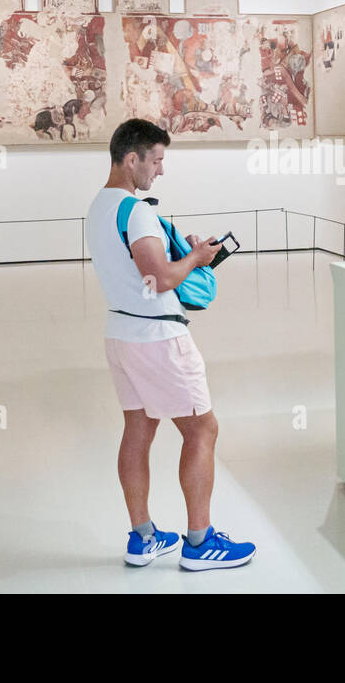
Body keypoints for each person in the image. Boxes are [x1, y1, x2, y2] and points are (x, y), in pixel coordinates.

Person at [84, 118, 256, 571]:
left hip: (120, 333)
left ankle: (143, 538)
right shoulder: (136, 211)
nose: (160, 170)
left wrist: (187, 258)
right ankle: (200, 543)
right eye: (156, 160)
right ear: (132, 158)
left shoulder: (99, 207)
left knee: (138, 431)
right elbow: (158, 279)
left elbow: (137, 270)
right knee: (202, 430)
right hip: (158, 337)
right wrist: (198, 258)